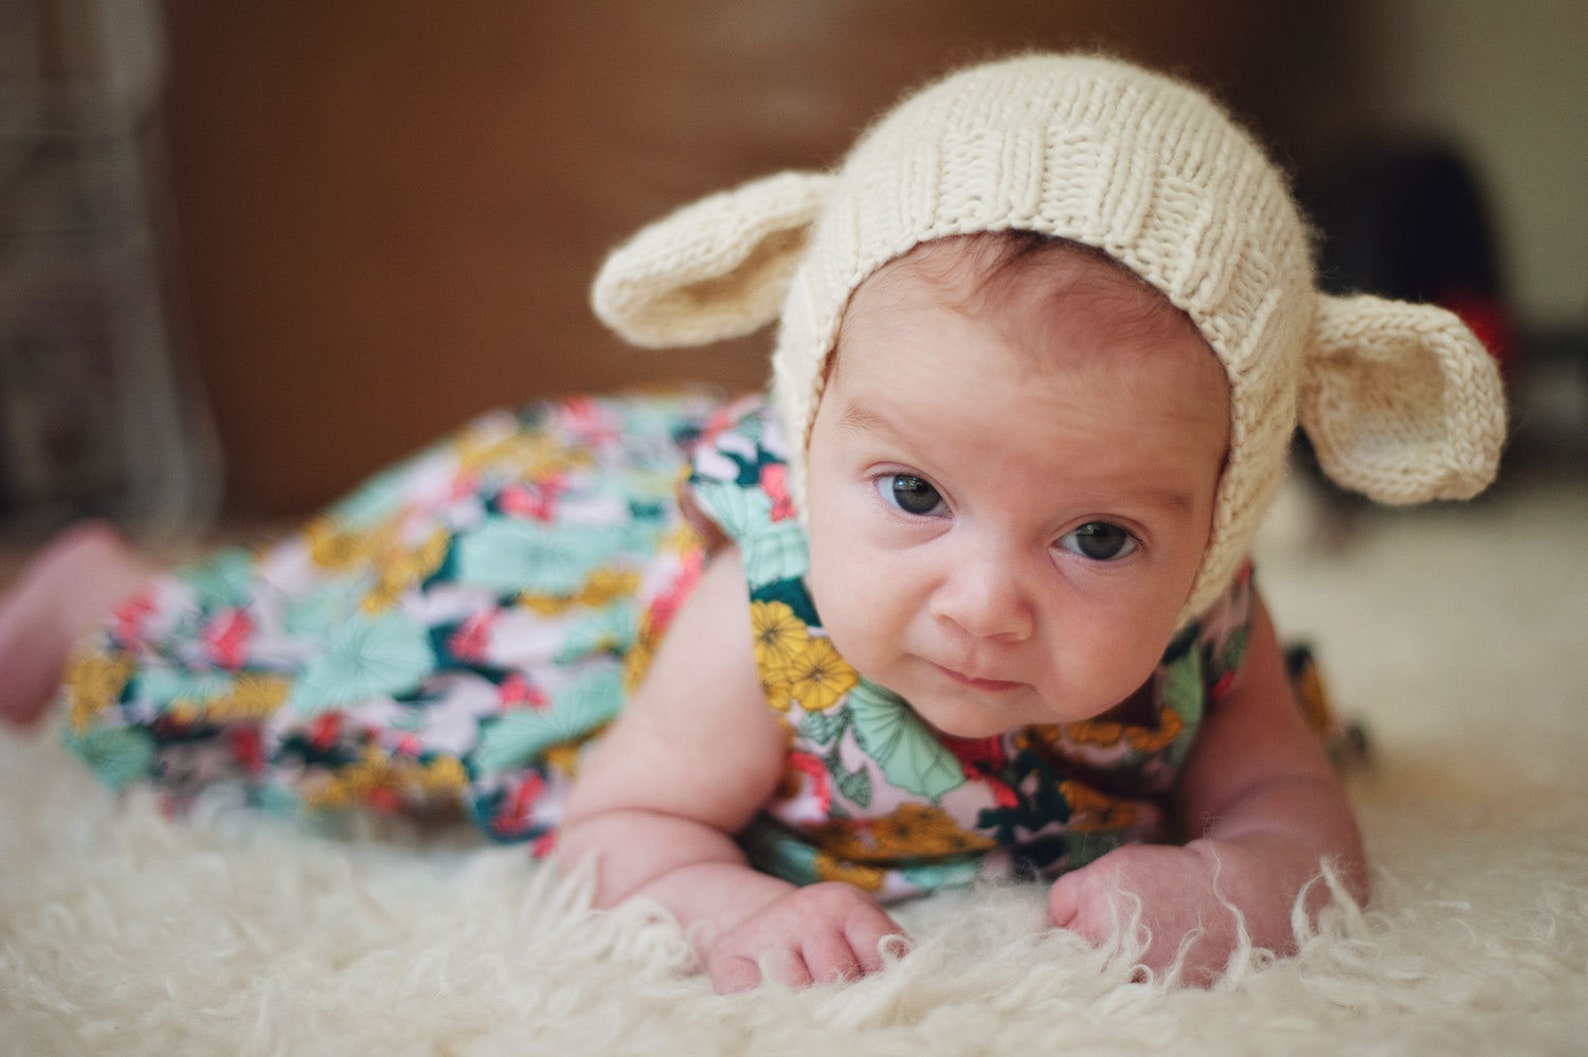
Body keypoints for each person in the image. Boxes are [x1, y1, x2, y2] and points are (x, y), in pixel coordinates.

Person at [0, 53, 1506, 992]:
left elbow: (1291, 810)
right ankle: (98, 593)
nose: (983, 601)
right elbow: (617, 826)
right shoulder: (765, 622)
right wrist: (716, 901)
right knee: (284, 653)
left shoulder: (1213, 623)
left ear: (1219, 524)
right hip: (567, 550)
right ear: (815, 434)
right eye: (913, 493)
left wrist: (1236, 879)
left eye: (1098, 538)